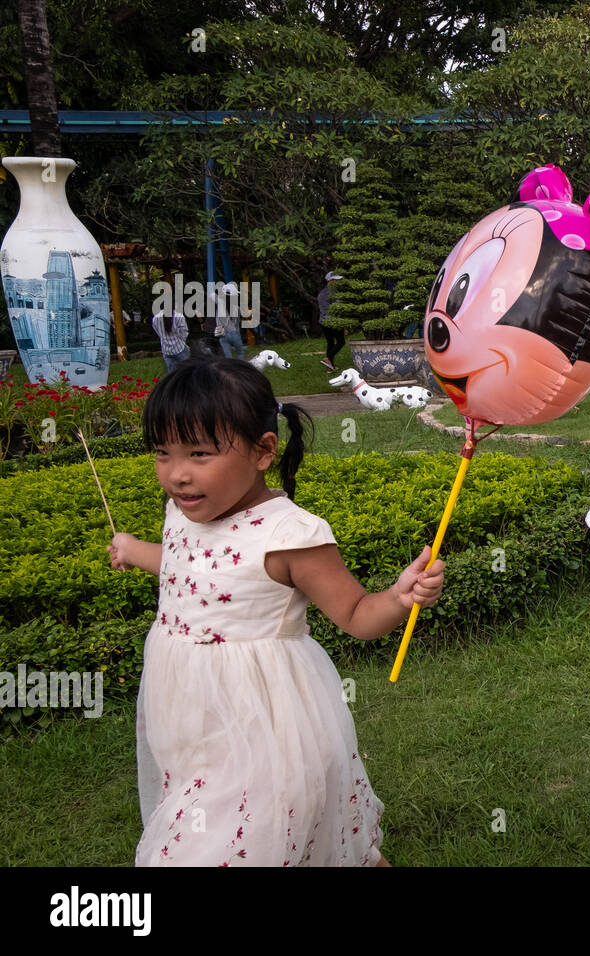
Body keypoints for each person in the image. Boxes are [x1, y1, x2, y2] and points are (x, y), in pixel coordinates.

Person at [106, 359, 444, 866]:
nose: (177, 474)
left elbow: (354, 613)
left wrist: (398, 597)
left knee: (249, 829)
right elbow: (190, 567)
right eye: (162, 453)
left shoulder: (289, 537)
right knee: (203, 800)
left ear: (263, 450)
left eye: (199, 453)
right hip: (189, 709)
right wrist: (136, 551)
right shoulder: (183, 510)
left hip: (265, 714)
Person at [319, 271, 345, 371]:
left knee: (330, 343)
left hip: (323, 321)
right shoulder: (334, 292)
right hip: (333, 321)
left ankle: (331, 366)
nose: (338, 282)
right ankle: (328, 358)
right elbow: (339, 307)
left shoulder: (322, 292)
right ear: (331, 280)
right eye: (337, 280)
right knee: (341, 342)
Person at [214, 280, 247, 360]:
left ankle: (230, 370)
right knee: (240, 353)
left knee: (228, 357)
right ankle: (241, 368)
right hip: (235, 333)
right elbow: (238, 321)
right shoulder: (237, 308)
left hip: (223, 334)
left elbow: (218, 322)